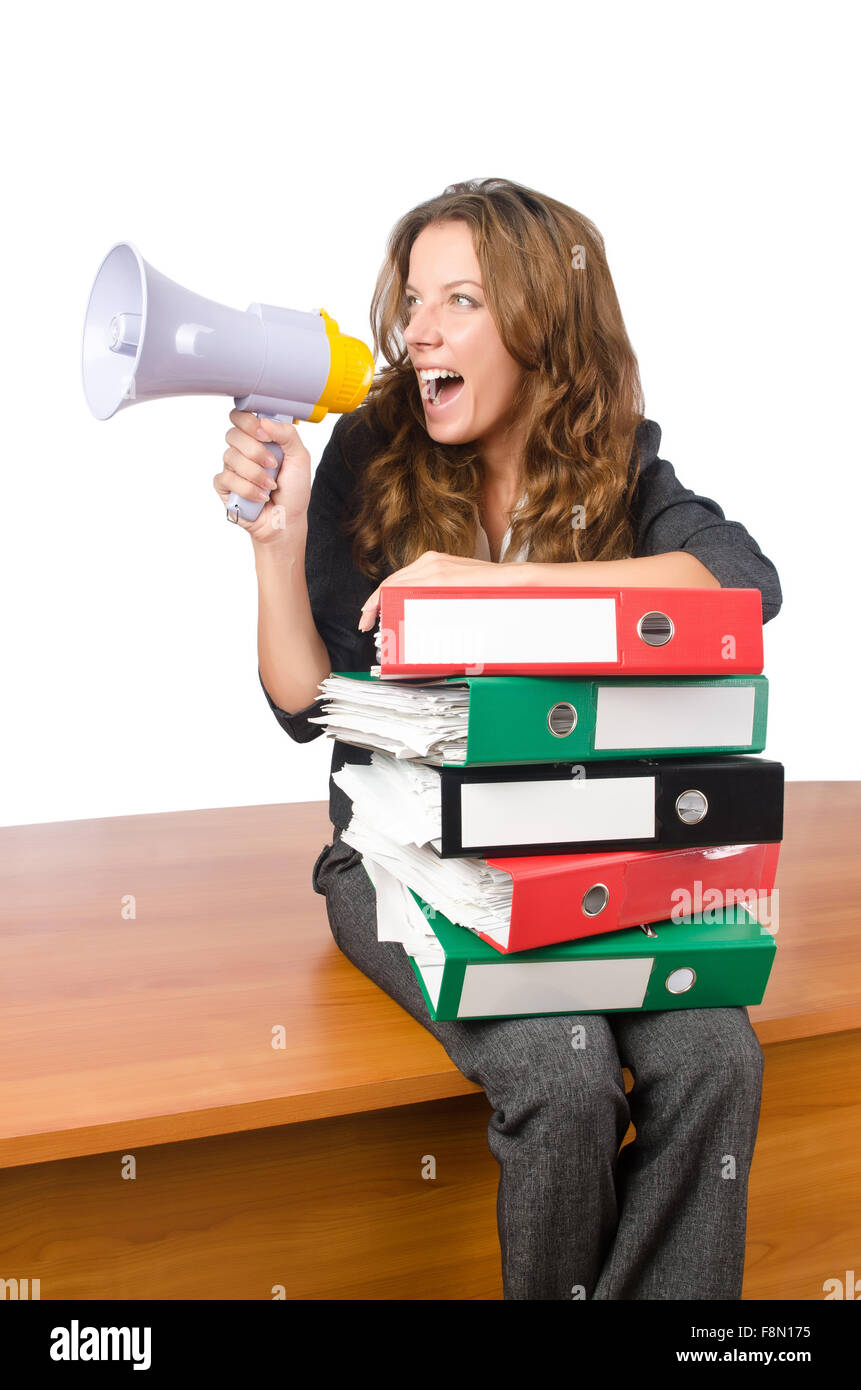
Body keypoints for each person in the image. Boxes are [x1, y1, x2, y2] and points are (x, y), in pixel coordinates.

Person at [212, 178, 782, 1301]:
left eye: (459, 300)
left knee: (718, 1056)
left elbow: (743, 584)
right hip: (408, 866)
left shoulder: (618, 460)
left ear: (541, 327)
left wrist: (495, 590)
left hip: (583, 858)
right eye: (414, 299)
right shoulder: (373, 454)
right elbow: (304, 703)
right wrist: (274, 546)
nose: (418, 330)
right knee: (565, 1067)